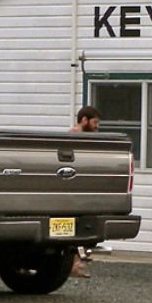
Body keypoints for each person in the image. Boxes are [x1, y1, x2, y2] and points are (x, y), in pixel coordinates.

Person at [67, 106, 101, 279]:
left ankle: (77, 264)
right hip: (74, 192)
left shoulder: (86, 138)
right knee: (75, 226)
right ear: (84, 120)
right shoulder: (73, 136)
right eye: (95, 122)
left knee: (83, 226)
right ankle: (75, 264)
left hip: (83, 191)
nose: (97, 127)